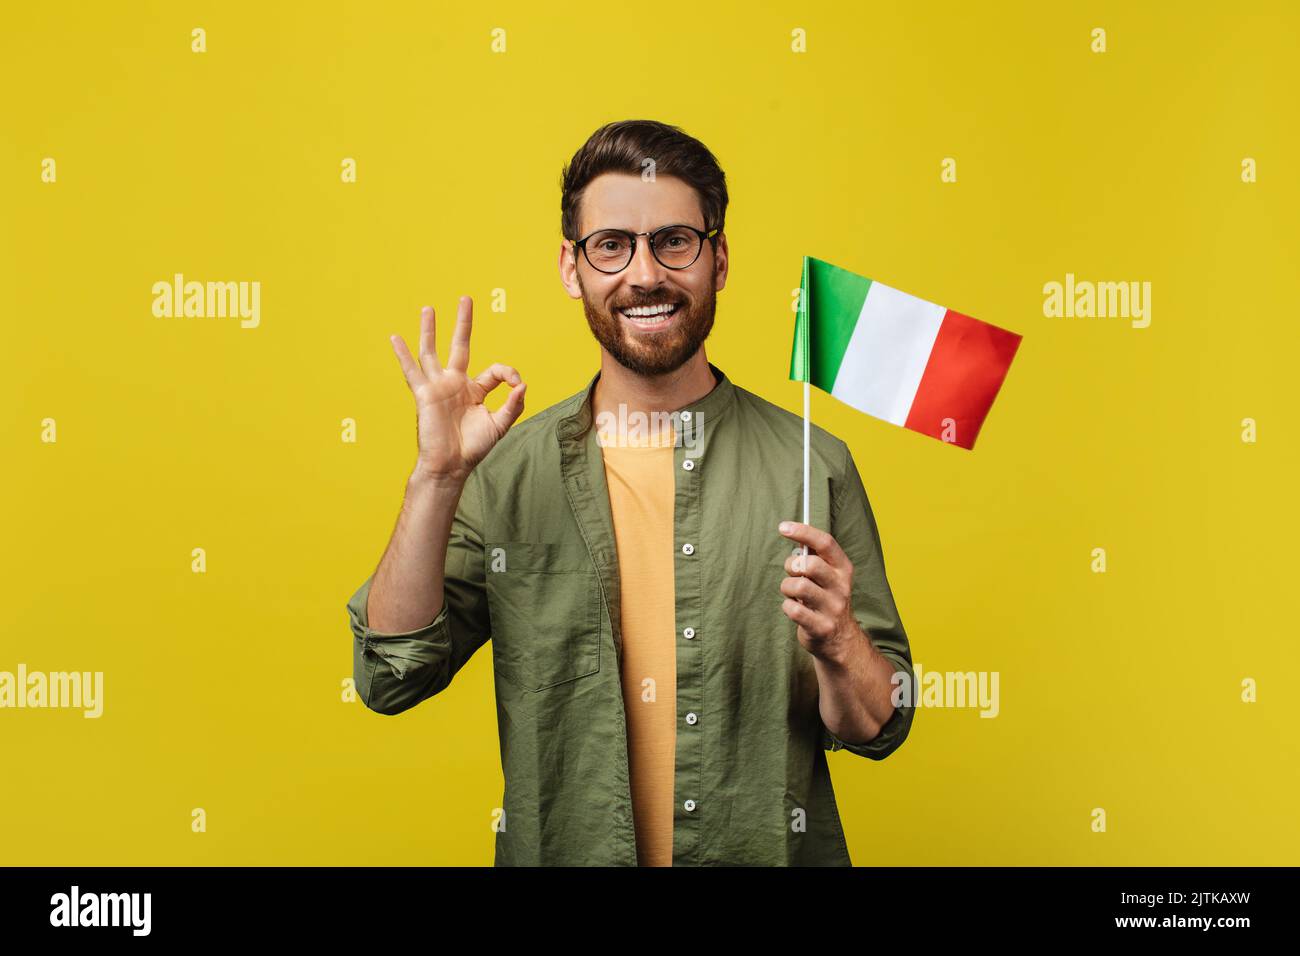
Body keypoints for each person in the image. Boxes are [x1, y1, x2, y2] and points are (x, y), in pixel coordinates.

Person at [346, 119, 915, 866]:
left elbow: (881, 724)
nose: (644, 274)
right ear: (571, 267)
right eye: (611, 245)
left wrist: (840, 644)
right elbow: (391, 676)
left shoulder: (813, 465)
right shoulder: (506, 473)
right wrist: (437, 478)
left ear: (718, 259)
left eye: (674, 241)